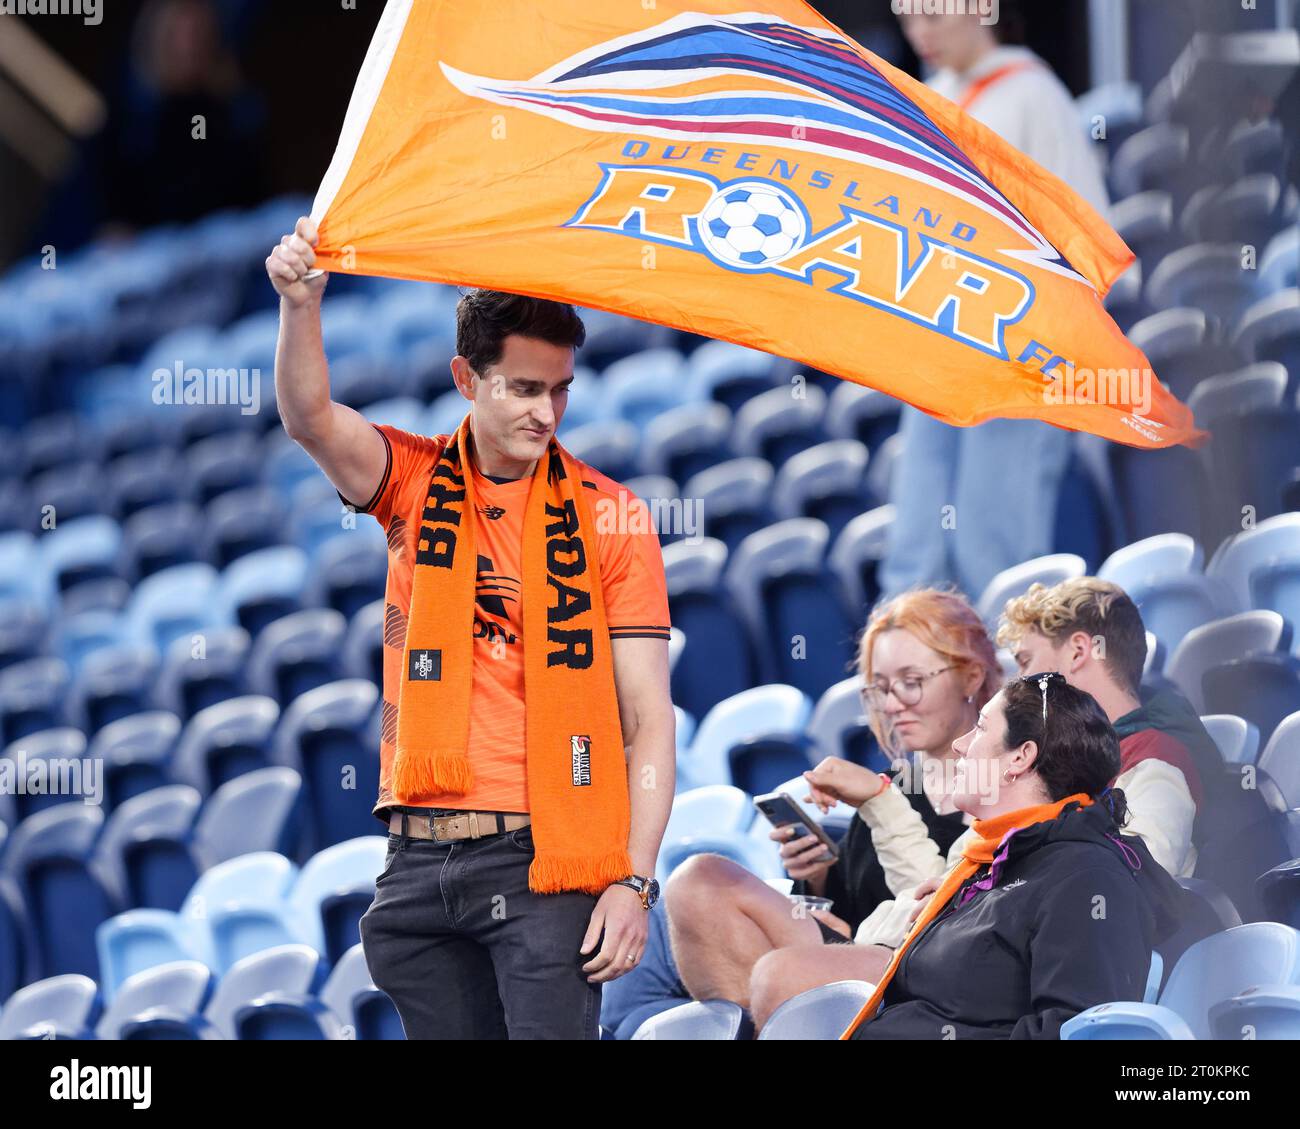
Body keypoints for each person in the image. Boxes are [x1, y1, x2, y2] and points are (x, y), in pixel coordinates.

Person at [266, 219, 677, 1039]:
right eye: (523, 388)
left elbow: (647, 723)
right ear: (467, 376)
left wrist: (634, 884)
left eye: (560, 389)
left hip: (543, 867)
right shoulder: (412, 480)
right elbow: (310, 417)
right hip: (416, 865)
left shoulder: (616, 518)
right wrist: (300, 305)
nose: (547, 412)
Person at [663, 588, 1000, 1016]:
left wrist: (880, 802)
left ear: (970, 677)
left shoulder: (1001, 780)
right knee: (699, 882)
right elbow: (846, 919)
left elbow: (943, 914)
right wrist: (819, 879)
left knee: (783, 971)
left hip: (929, 969)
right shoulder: (897, 785)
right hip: (857, 954)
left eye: (911, 683)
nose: (894, 704)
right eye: (880, 689)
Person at [880, 5, 1110, 600]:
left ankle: (1020, 691)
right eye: (908, 19)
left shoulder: (1032, 92)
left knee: (995, 547)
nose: (919, 33)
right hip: (937, 344)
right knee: (916, 550)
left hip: (1018, 347)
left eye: (931, 16)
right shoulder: (929, 96)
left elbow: (1091, 238)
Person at [844, 674, 1190, 1040]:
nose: (960, 746)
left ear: (1021, 757)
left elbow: (1072, 1032)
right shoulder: (989, 864)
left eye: (979, 729)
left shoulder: (1087, 880)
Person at [997, 578, 1203, 876]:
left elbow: (1136, 878)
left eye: (1025, 661)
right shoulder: (1070, 759)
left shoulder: (1154, 756)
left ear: (1079, 651)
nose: (1018, 682)